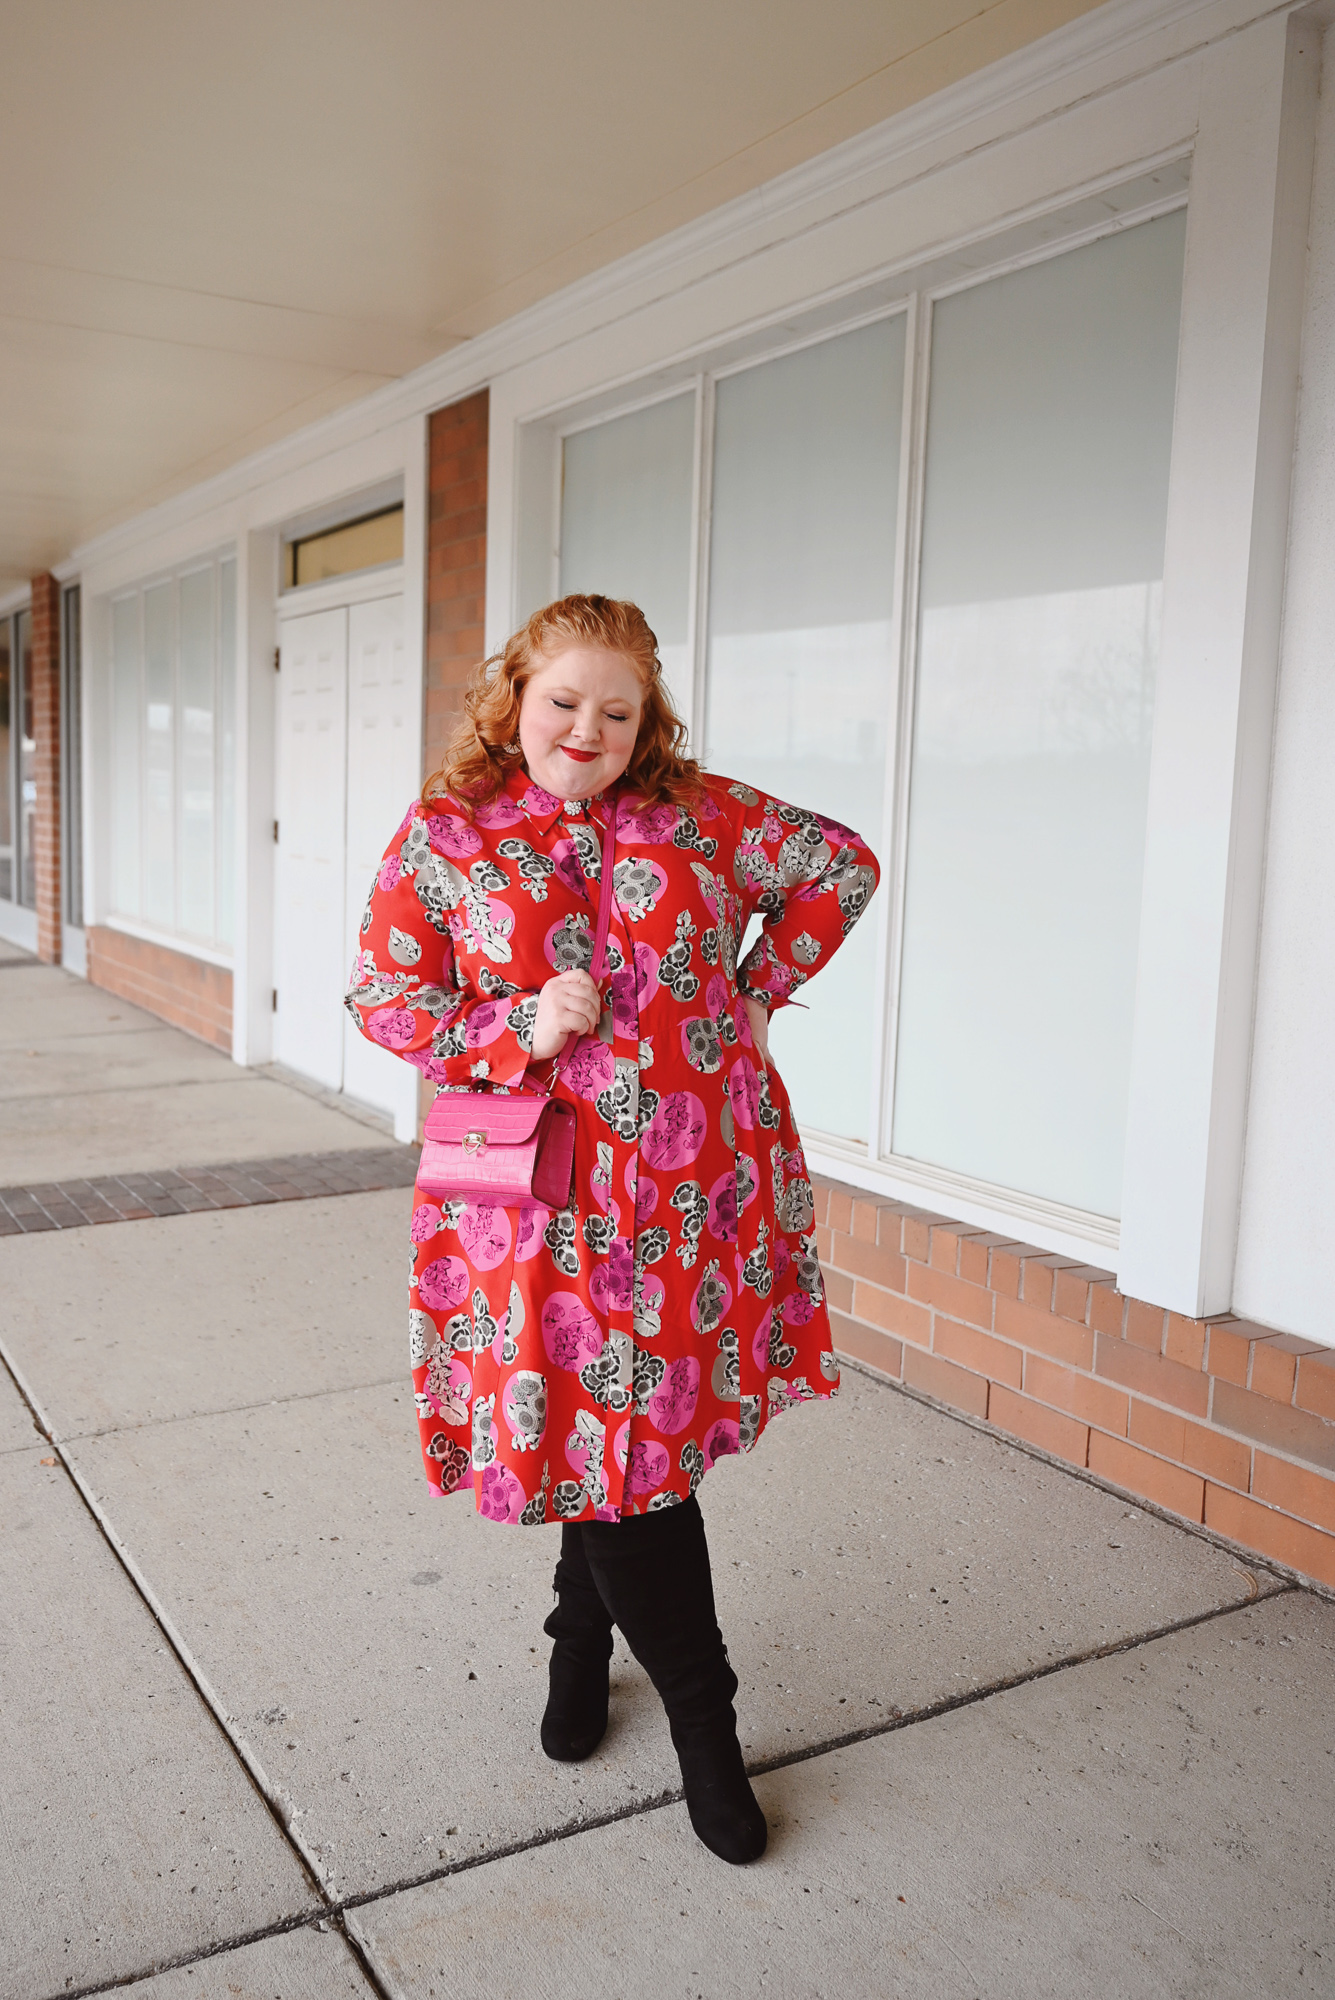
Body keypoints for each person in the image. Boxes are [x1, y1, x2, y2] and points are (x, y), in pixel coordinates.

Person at [346, 594, 879, 1865]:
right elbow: (381, 991)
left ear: (649, 723)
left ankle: (581, 1653)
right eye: (562, 702)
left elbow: (840, 866)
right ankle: (706, 1725)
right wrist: (510, 1028)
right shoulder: (450, 833)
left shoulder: (703, 816)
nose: (586, 729)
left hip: (695, 1193)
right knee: (622, 1451)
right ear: (513, 700)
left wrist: (755, 994)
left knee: (631, 1444)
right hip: (536, 1205)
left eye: (618, 710)